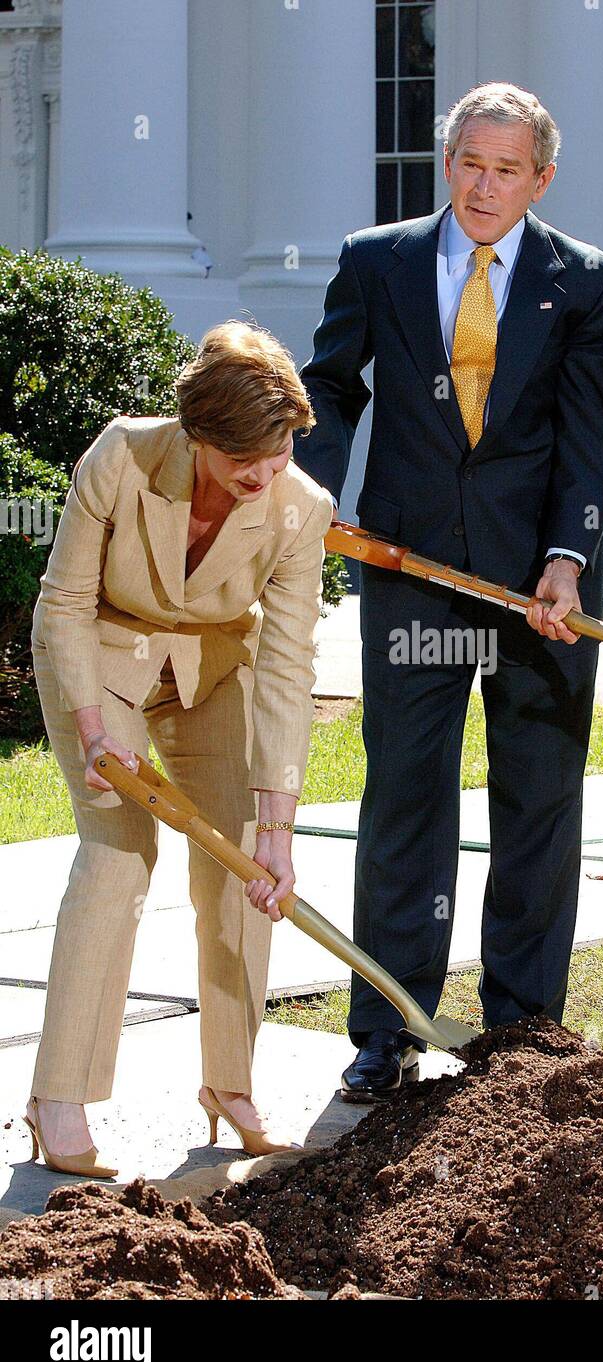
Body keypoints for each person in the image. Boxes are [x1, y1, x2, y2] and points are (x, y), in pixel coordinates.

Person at [297, 82, 603, 1101]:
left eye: (508, 169)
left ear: (541, 177)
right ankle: (388, 1027)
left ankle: (522, 1025)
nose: (485, 187)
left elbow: (591, 436)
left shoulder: (589, 284)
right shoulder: (378, 261)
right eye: (470, 163)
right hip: (411, 576)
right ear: (446, 163)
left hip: (543, 586)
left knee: (538, 796)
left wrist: (566, 559)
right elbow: (330, 383)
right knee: (406, 793)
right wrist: (314, 485)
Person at [24, 320, 334, 1175]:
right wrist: (93, 730)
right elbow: (63, 604)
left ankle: (230, 1083)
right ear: (199, 437)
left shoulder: (301, 508)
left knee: (243, 862)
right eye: (246, 468)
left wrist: (279, 826)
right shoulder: (122, 458)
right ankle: (59, 1098)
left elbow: (286, 665)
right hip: (100, 659)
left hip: (213, 669)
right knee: (122, 849)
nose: (264, 483)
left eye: (277, 463)